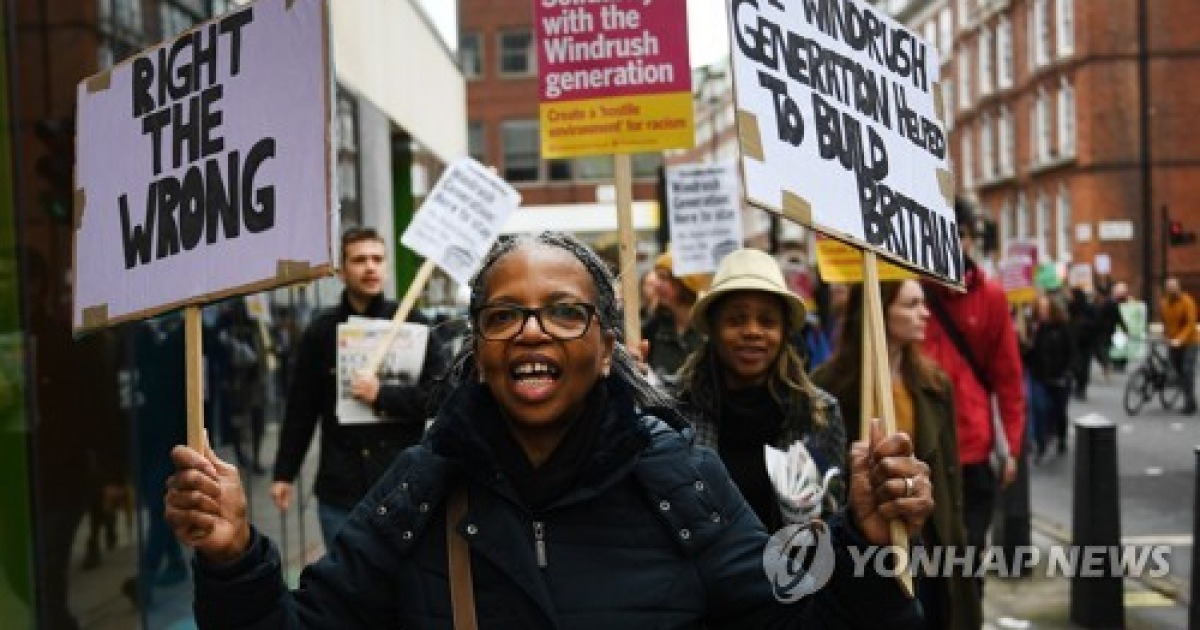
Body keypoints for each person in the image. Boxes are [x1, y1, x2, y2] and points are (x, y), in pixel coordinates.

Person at [165, 232, 934, 628]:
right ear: (479, 348)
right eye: (504, 315)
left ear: (606, 349)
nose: (533, 331)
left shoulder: (684, 482)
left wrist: (864, 544)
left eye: (566, 311)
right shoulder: (419, 487)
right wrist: (236, 562)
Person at [814, 279, 981, 630]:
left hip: (930, 544)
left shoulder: (935, 384)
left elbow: (952, 480)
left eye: (923, 303)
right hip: (864, 550)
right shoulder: (827, 387)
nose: (924, 313)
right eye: (910, 304)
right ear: (878, 307)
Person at [271, 227, 447, 545]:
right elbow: (302, 408)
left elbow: (441, 396)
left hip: (400, 487)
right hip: (340, 492)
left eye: (377, 259)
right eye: (360, 260)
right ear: (340, 271)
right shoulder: (321, 332)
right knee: (344, 591)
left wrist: (383, 395)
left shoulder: (414, 324)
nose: (370, 267)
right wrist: (284, 472)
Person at [675, 248, 847, 531]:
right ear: (713, 329)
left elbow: (833, 515)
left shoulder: (819, 414)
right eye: (736, 320)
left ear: (783, 333)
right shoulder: (674, 408)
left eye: (767, 321)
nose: (753, 331)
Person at [921, 198, 1025, 575]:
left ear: (970, 240)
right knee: (929, 570)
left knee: (967, 562)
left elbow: (1008, 378)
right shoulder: (910, 295)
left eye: (960, 234)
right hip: (924, 451)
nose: (954, 243)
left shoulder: (993, 296)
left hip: (974, 453)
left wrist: (1010, 447)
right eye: (944, 233)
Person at [641, 251, 707, 385]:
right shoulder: (652, 327)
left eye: (664, 278)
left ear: (683, 283)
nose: (657, 284)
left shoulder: (707, 328)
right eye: (657, 277)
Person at [1021, 295, 1075, 460]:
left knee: (1059, 411)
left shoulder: (1063, 327)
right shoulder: (1037, 329)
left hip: (1059, 377)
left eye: (1046, 309)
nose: (1043, 312)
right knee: (1039, 409)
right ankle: (1041, 444)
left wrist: (1068, 371)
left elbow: (1071, 352)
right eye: (1040, 309)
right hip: (1040, 376)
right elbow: (1029, 354)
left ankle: (1061, 438)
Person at [1161, 277, 1198, 415]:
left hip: (1190, 341)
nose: (1171, 289)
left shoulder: (1187, 301)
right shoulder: (1165, 303)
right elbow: (1166, 322)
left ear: (1178, 287)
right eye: (1169, 287)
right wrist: (1166, 336)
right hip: (1173, 342)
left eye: (1173, 287)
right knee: (1178, 372)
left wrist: (1179, 339)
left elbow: (1191, 323)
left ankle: (1189, 403)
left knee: (1187, 370)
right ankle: (1190, 399)